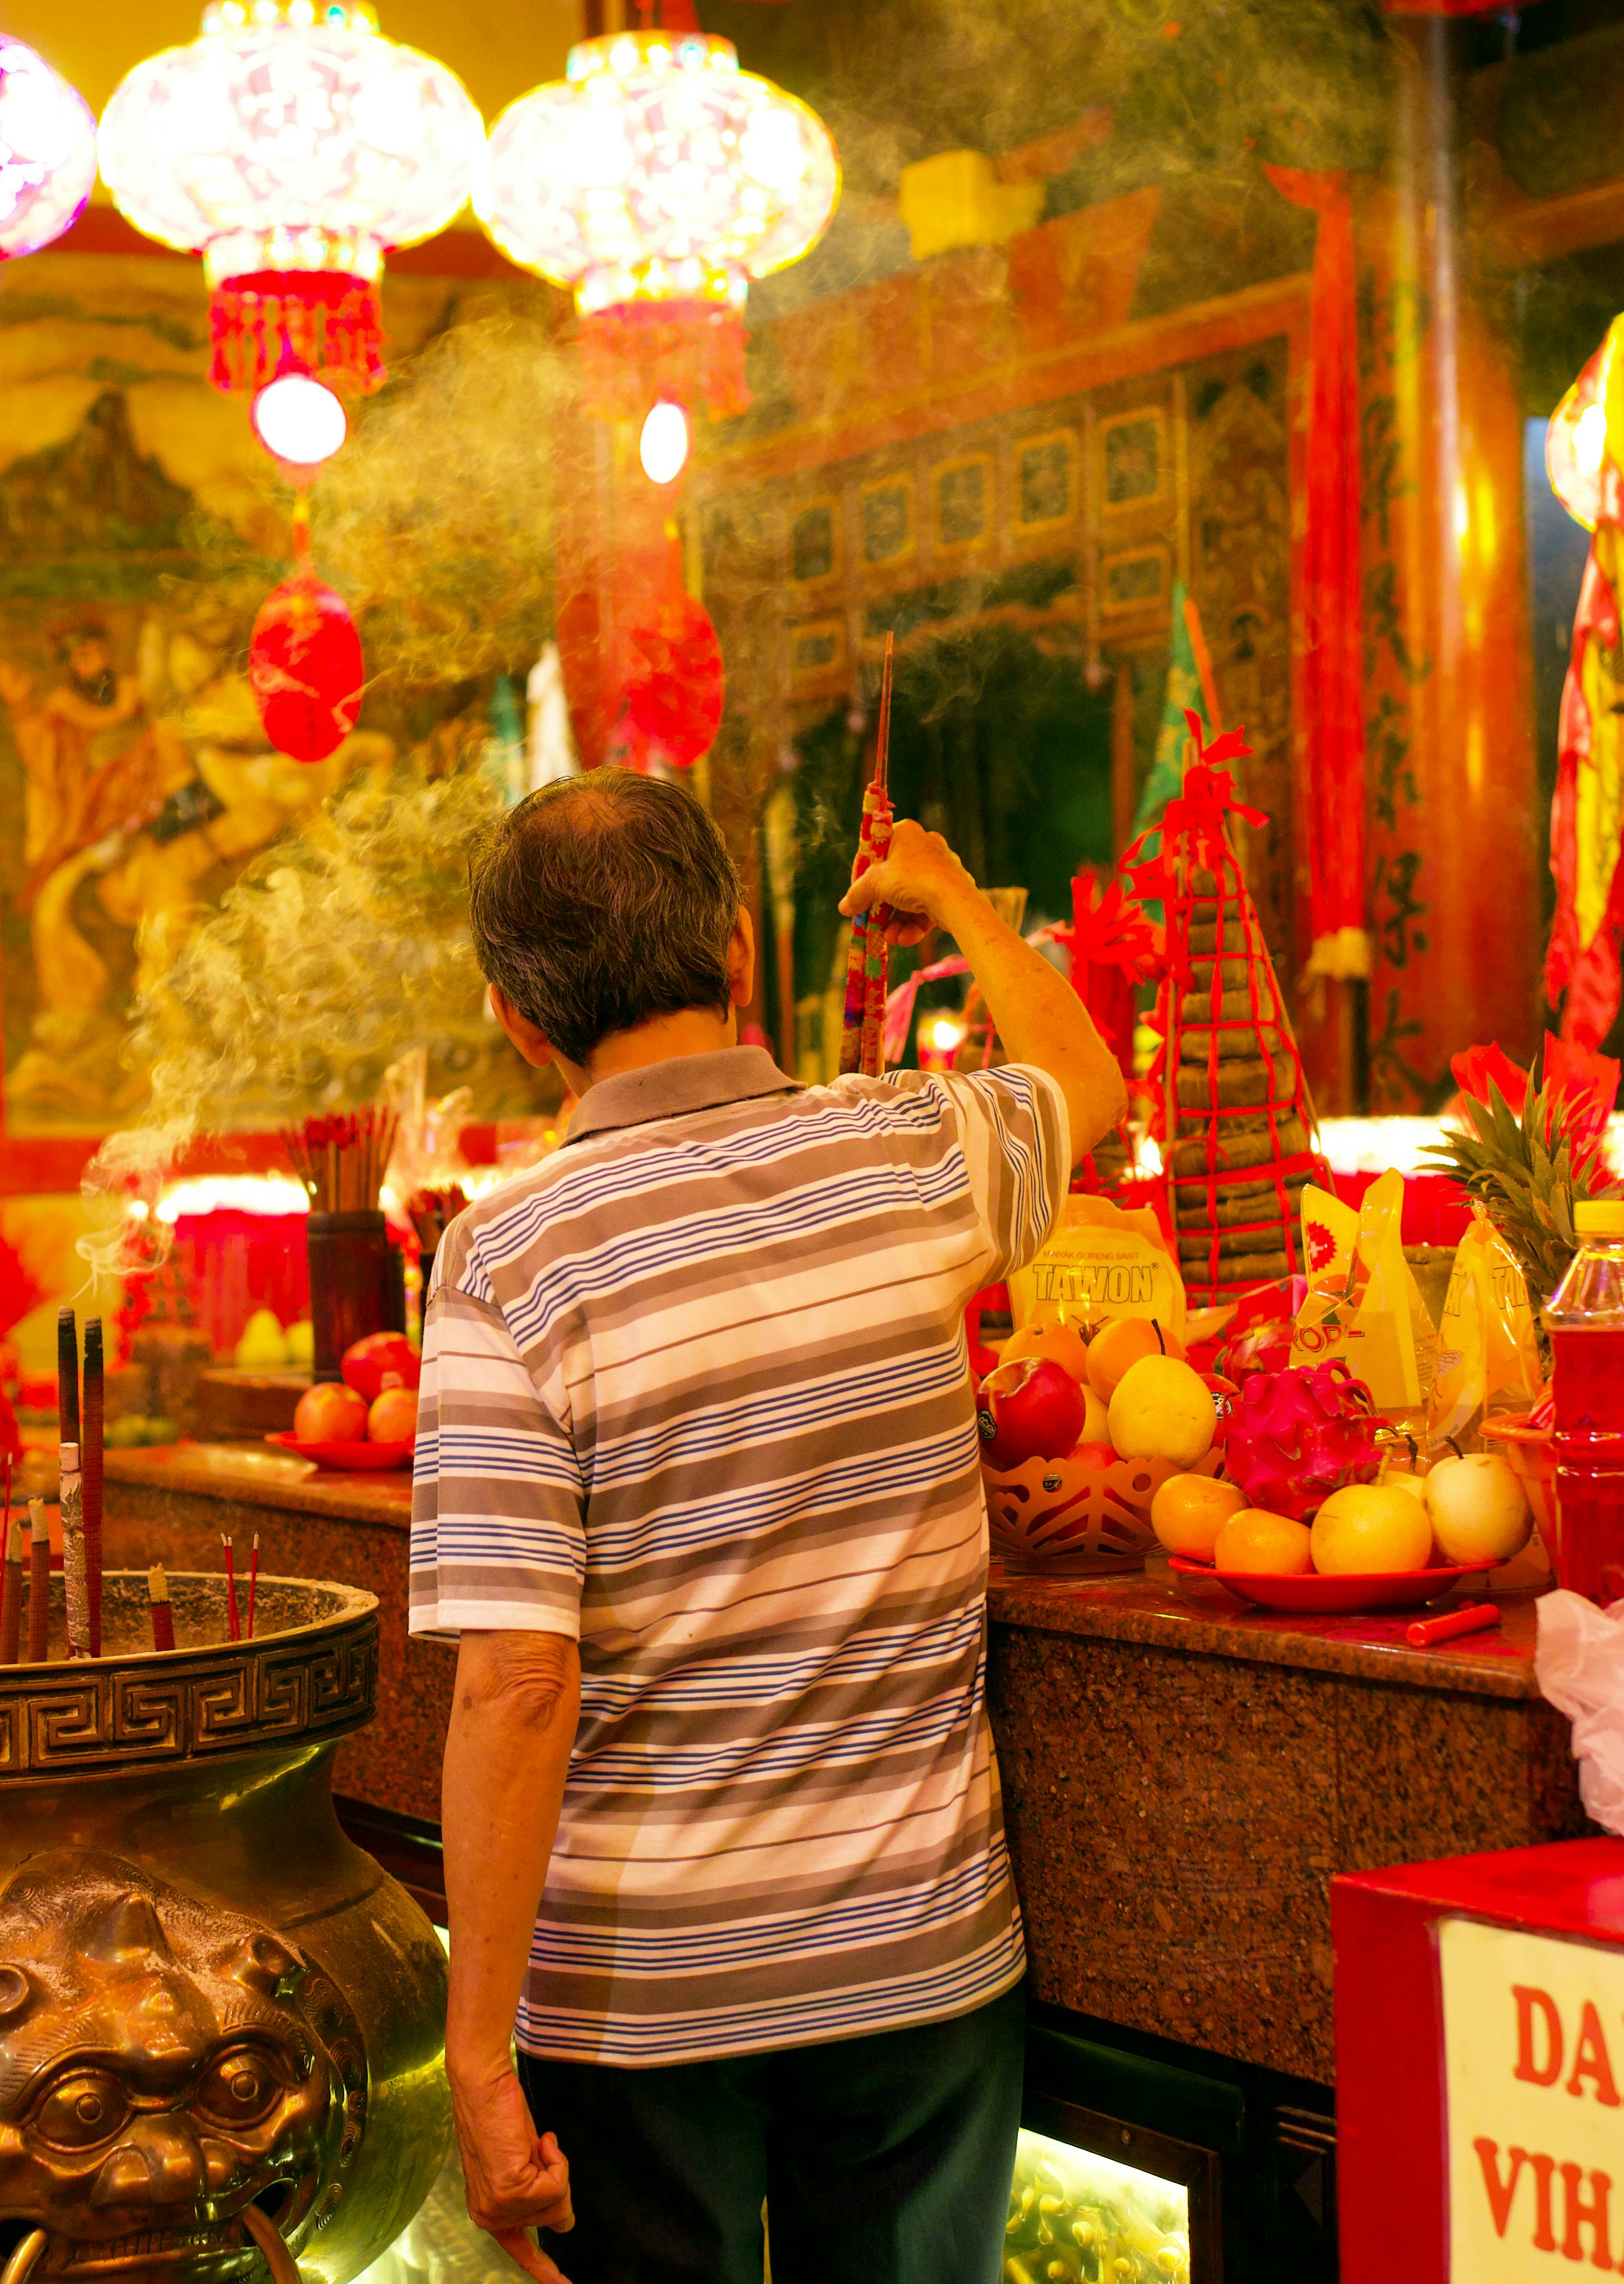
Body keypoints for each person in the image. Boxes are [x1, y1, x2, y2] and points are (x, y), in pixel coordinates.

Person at [412, 771, 1127, 2284]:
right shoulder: (916, 1151)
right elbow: (1092, 1087)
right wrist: (962, 910)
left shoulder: (505, 1258)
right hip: (916, 1959)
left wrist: (479, 2061)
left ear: (515, 1016)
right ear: (739, 949)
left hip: (641, 1995)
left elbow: (516, 1684)